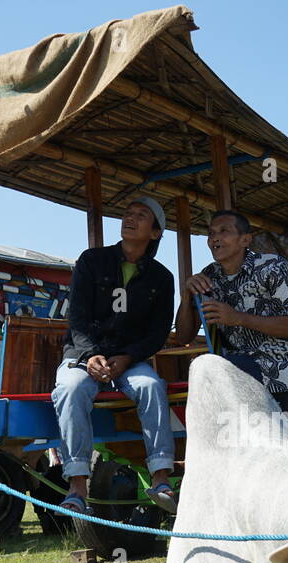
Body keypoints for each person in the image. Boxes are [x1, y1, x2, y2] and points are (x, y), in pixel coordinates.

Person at [52, 196, 177, 514]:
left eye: (141, 215)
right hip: (83, 354)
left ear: (156, 232)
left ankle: (161, 479)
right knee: (70, 388)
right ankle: (77, 487)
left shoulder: (162, 278)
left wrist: (127, 357)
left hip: (129, 360)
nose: (130, 218)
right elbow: (77, 318)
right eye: (127, 213)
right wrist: (91, 355)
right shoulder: (91, 260)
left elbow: (158, 332)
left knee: (151, 386)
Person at [179, 210, 288, 433]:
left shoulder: (272, 266)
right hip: (245, 386)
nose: (214, 238)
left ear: (245, 240)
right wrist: (186, 296)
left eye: (224, 231)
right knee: (257, 459)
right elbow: (183, 337)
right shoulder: (207, 277)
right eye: (211, 234)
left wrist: (237, 318)